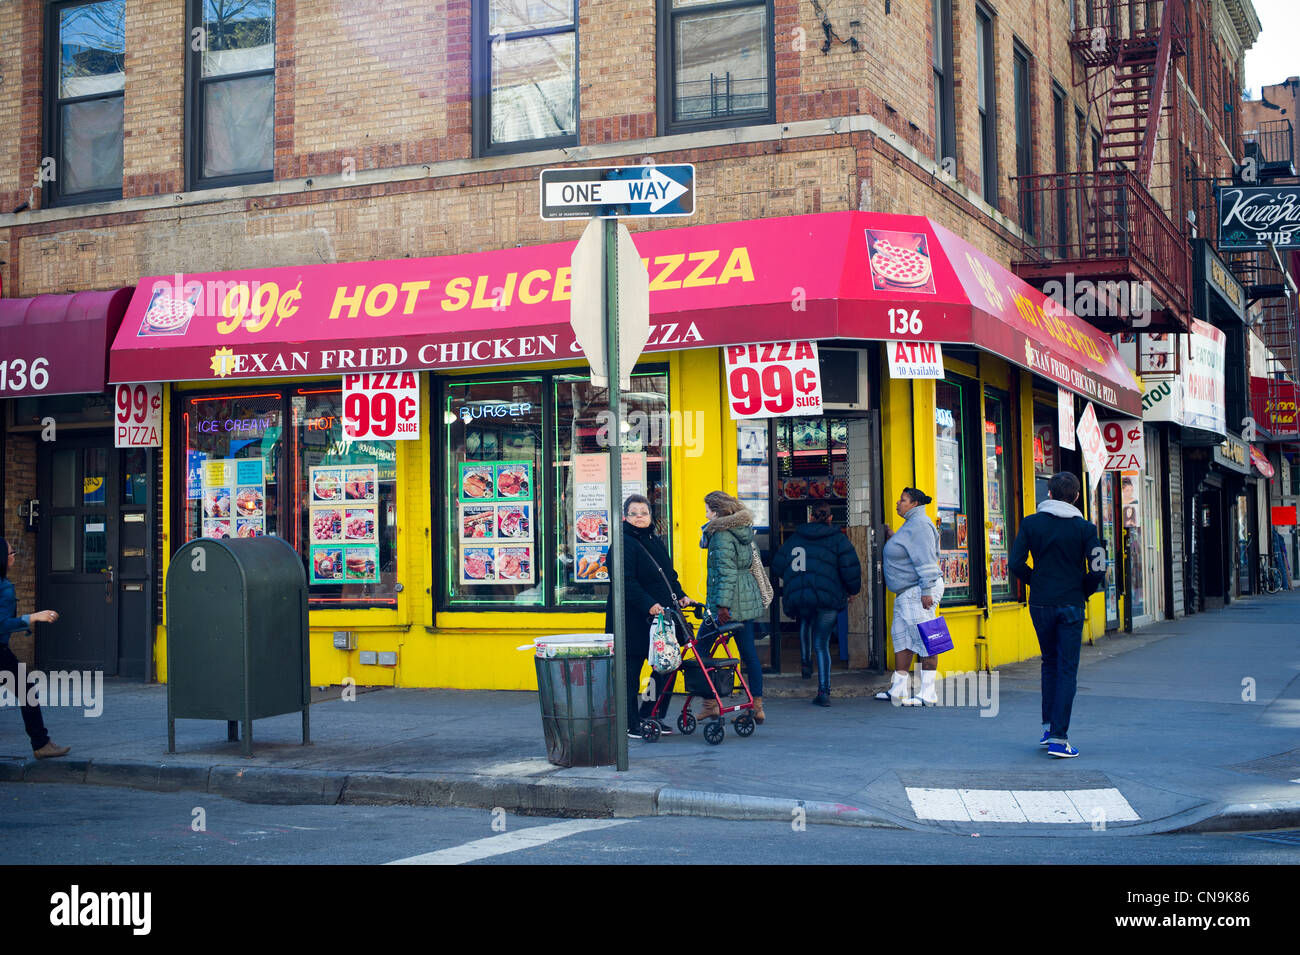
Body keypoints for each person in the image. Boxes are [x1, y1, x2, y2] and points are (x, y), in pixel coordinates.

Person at [1009, 471, 1106, 759]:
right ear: (1076, 497)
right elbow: (1099, 567)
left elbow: (1015, 563)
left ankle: (1048, 727)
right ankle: (1059, 738)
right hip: (1071, 604)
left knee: (1049, 663)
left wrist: (1035, 581)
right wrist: (1082, 589)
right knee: (1066, 669)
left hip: (1040, 603)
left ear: (1048, 493)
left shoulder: (1030, 524)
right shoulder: (1086, 529)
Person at [605, 496, 693, 739]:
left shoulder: (655, 540)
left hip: (662, 621)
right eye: (634, 513)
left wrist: (681, 595)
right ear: (625, 517)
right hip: (632, 620)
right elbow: (625, 582)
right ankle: (630, 723)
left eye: (644, 512)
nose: (640, 517)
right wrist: (649, 604)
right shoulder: (622, 544)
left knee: (666, 667)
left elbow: (669, 576)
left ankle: (651, 715)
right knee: (630, 673)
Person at [771, 501, 862, 706]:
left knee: (805, 622)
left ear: (811, 517)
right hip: (828, 599)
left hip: (802, 595)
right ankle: (823, 691)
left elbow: (777, 566)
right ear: (830, 518)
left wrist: (795, 578)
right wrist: (852, 591)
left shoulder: (795, 538)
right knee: (821, 643)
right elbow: (851, 569)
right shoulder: (839, 540)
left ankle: (805, 663)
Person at [0, 538, 70, 759]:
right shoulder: (4, 588)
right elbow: (1, 624)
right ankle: (41, 743)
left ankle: (41, 742)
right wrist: (34, 617)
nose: (13, 556)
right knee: (27, 690)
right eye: (12, 553)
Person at [700, 491, 766, 722]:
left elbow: (725, 573)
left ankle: (710, 703)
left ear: (717, 512)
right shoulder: (742, 530)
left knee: (700, 651)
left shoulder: (721, 535)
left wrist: (722, 606)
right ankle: (757, 706)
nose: (705, 514)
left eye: (708, 509)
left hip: (725, 604)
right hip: (745, 600)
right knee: (749, 654)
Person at [875, 487, 944, 706]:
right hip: (907, 591)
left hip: (919, 589)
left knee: (926, 638)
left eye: (903, 500)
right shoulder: (911, 525)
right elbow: (908, 550)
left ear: (914, 504)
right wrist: (893, 538)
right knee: (902, 638)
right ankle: (899, 688)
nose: (898, 502)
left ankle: (928, 692)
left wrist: (926, 591)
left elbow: (926, 560)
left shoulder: (920, 525)